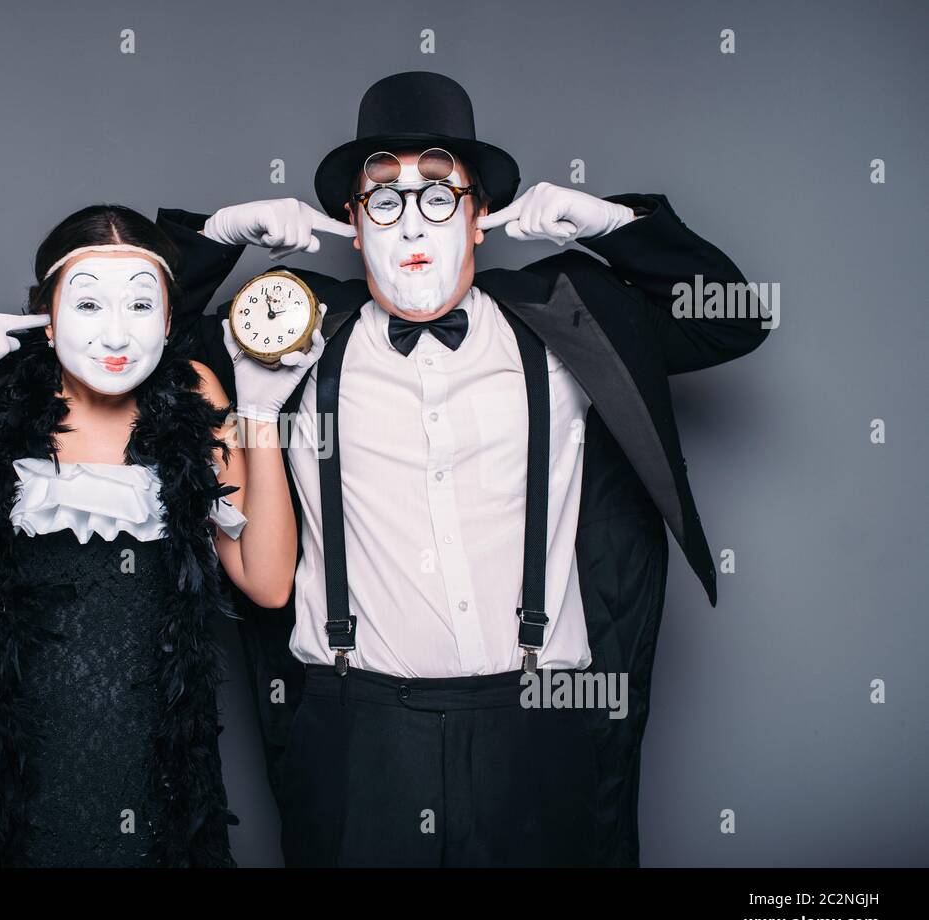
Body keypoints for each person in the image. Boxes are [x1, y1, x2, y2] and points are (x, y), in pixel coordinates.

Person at [176, 70, 771, 866]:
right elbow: (107, 343)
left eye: (439, 192)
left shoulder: (566, 316)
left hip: (538, 729)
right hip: (354, 737)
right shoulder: (286, 331)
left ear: (480, 214)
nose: (411, 219)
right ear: (354, 225)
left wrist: (614, 225)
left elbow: (735, 318)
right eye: (383, 196)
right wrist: (218, 235)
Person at [0, 204, 307, 866]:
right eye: (90, 304)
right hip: (26, 781)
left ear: (166, 317)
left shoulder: (196, 394)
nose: (116, 332)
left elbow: (267, 584)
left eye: (139, 304)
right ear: (48, 316)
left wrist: (261, 416)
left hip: (165, 777)